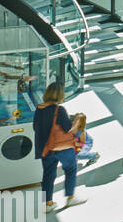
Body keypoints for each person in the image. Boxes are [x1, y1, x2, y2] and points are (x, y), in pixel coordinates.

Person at [32, 83, 87, 211]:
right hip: (61, 147)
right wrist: (77, 122)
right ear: (60, 95)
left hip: (45, 148)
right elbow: (68, 129)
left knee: (48, 174)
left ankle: (48, 204)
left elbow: (35, 127)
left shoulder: (39, 109)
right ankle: (70, 197)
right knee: (71, 168)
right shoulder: (59, 110)